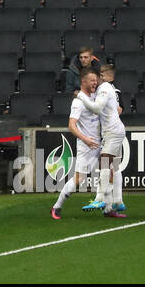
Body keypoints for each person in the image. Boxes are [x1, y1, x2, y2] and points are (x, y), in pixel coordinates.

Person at [51, 69, 102, 219]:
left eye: (95, 80)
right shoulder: (78, 102)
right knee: (79, 179)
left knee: (110, 171)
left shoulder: (96, 97)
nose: (95, 83)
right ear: (83, 82)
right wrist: (85, 139)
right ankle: (56, 206)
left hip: (100, 142)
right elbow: (71, 125)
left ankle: (109, 207)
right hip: (86, 145)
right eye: (92, 80)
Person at [77, 63, 126, 218]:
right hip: (112, 131)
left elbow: (97, 108)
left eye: (93, 79)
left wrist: (80, 96)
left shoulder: (104, 88)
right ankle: (117, 202)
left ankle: (99, 199)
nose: (92, 82)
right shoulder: (102, 89)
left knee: (104, 162)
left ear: (99, 77)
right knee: (114, 166)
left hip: (113, 131)